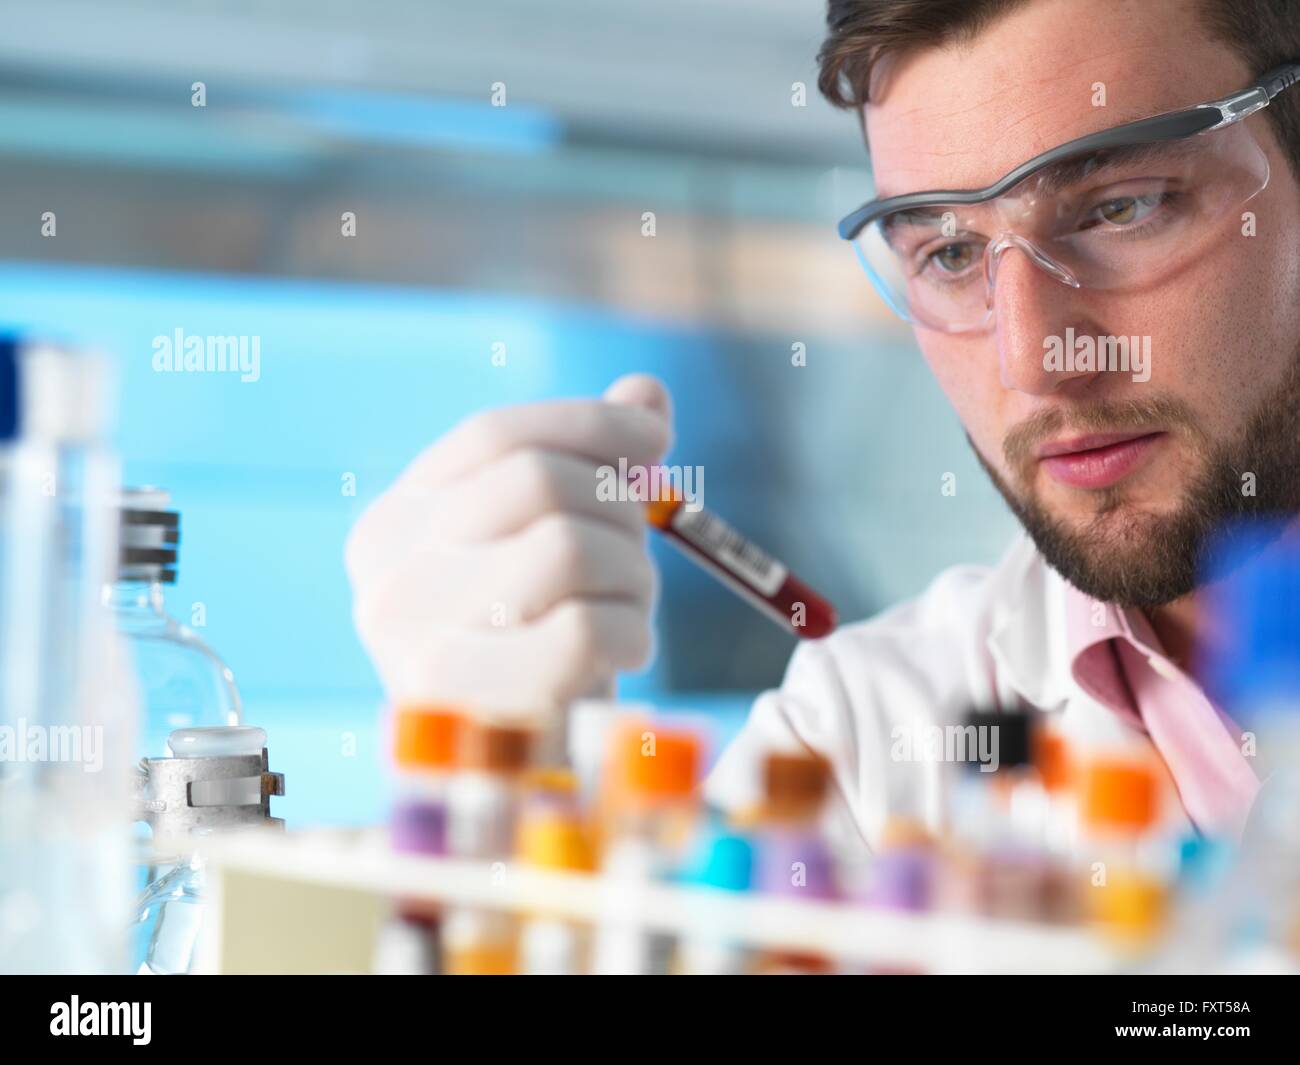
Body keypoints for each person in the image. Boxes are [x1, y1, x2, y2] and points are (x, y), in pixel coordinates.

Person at [346, 0, 1300, 849]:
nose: (1035, 363)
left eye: (1122, 207)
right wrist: (501, 815)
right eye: (952, 252)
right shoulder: (856, 747)